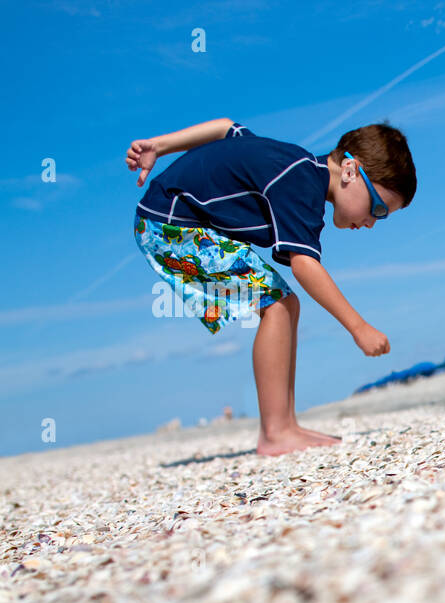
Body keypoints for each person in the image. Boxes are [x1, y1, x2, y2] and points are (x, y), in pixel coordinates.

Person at [126, 117, 415, 456]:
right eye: (378, 209)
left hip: (167, 221)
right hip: (169, 225)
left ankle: (283, 425)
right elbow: (305, 265)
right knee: (278, 304)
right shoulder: (301, 181)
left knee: (281, 303)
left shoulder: (292, 164)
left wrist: (159, 145)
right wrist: (358, 327)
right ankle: (276, 432)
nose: (371, 223)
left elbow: (226, 129)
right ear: (350, 170)